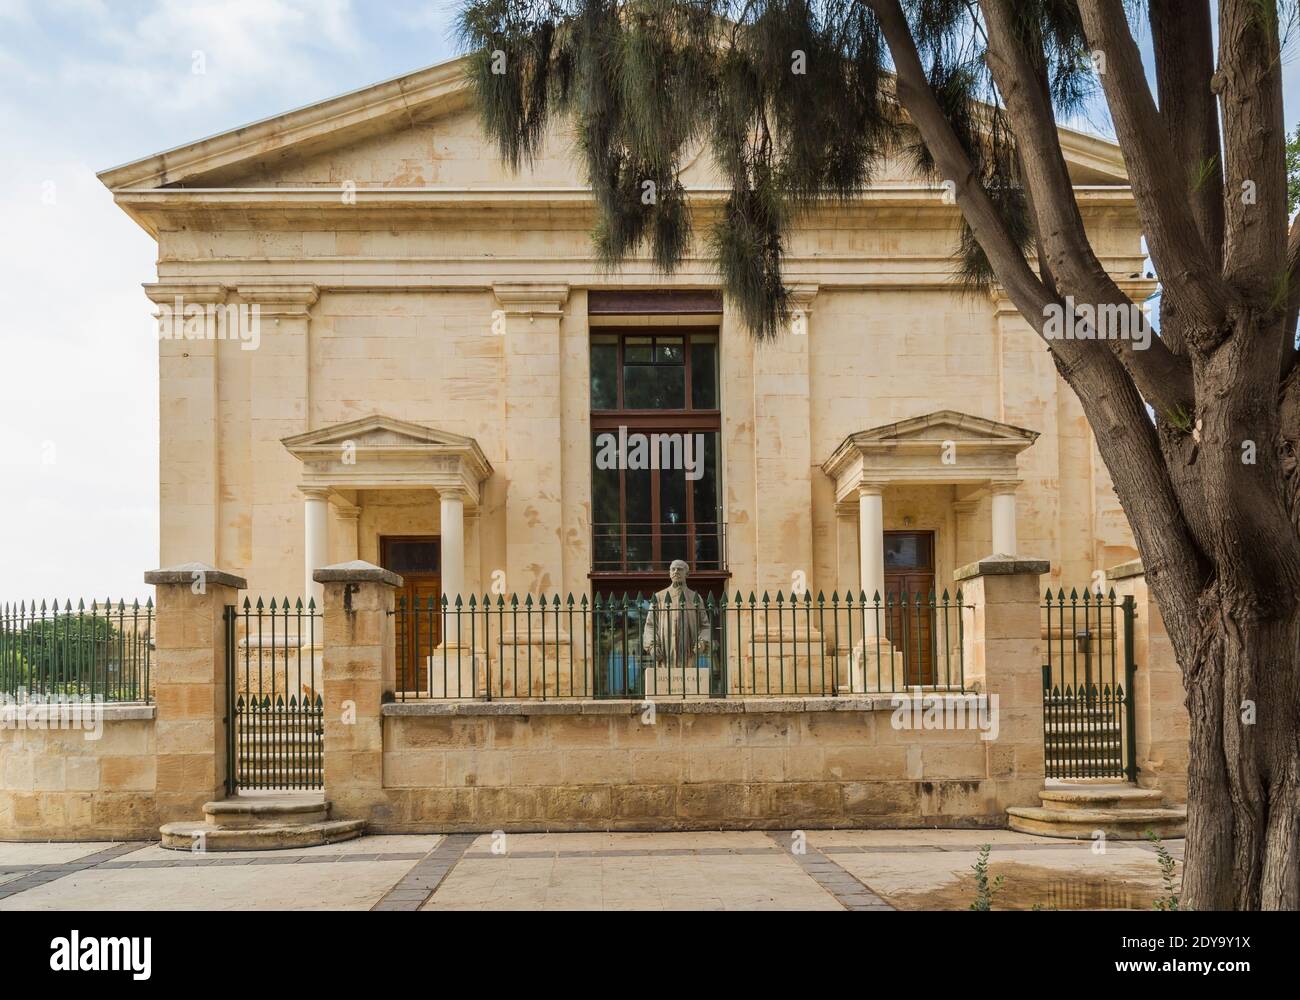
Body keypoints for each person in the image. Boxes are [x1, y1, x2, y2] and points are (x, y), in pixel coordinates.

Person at [641, 559, 712, 668]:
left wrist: (702, 642)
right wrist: (652, 646)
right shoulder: (659, 597)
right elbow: (650, 625)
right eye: (673, 569)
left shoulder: (695, 598)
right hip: (664, 653)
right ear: (669, 573)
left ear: (687, 573)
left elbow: (705, 626)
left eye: (679, 569)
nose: (675, 572)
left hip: (688, 652)